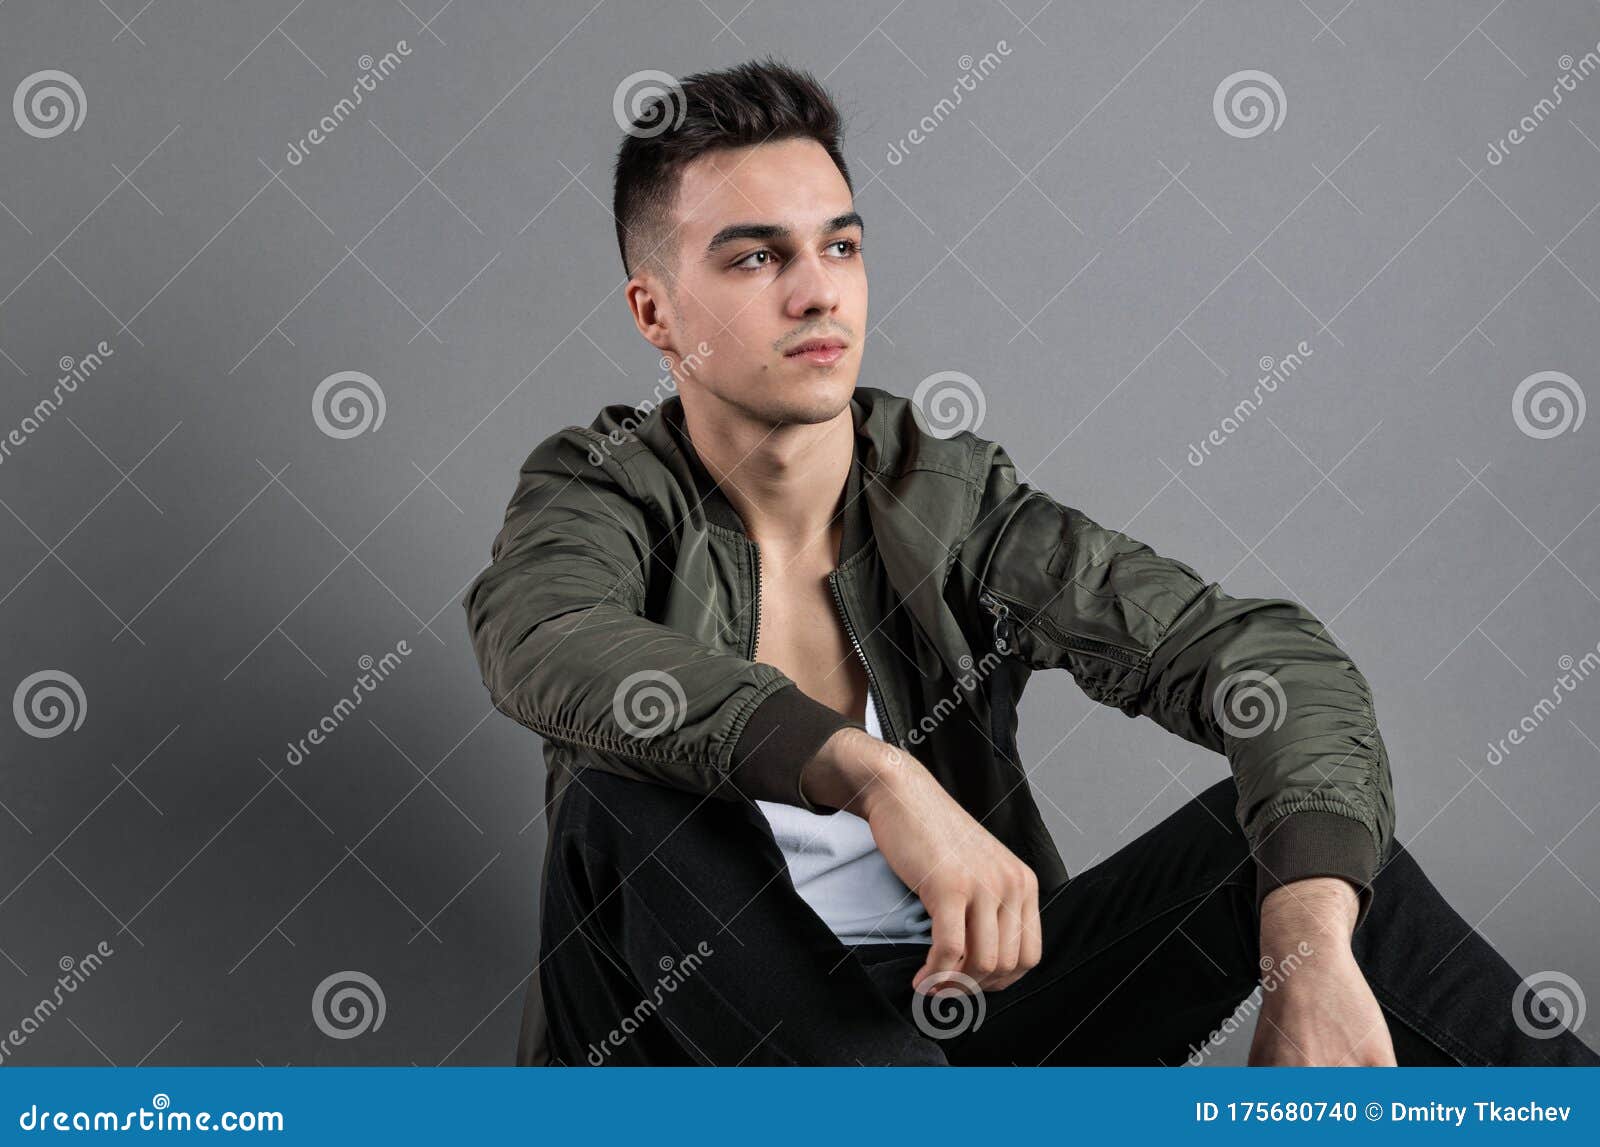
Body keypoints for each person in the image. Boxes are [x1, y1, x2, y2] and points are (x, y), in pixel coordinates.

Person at [461, 57, 1597, 1066]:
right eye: (756, 256)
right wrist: (872, 773)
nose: (817, 290)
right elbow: (545, 636)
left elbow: (1265, 656)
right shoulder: (599, 485)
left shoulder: (944, 499)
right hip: (713, 1067)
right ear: (655, 312)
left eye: (840, 245)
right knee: (622, 798)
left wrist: (1304, 946)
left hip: (970, 1043)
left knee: (1317, 856)